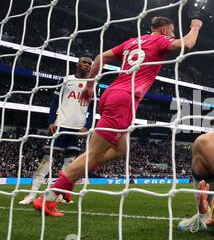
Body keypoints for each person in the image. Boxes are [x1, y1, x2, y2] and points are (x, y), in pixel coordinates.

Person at [33, 17, 203, 217]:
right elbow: (188, 43)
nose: (173, 35)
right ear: (164, 30)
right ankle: (50, 195)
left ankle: (68, 180)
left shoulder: (131, 42)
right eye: (172, 31)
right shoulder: (160, 41)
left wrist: (90, 85)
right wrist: (195, 26)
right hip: (124, 100)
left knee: (120, 149)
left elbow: (100, 57)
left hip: (111, 95)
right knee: (94, 154)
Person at [19, 57, 93, 205]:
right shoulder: (66, 80)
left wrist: (88, 125)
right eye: (84, 62)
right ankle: (32, 194)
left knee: (69, 164)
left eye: (89, 64)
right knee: (47, 159)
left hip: (78, 130)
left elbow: (92, 108)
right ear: (77, 64)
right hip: (61, 125)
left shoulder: (93, 85)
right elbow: (54, 102)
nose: (87, 65)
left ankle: (58, 195)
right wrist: (51, 121)